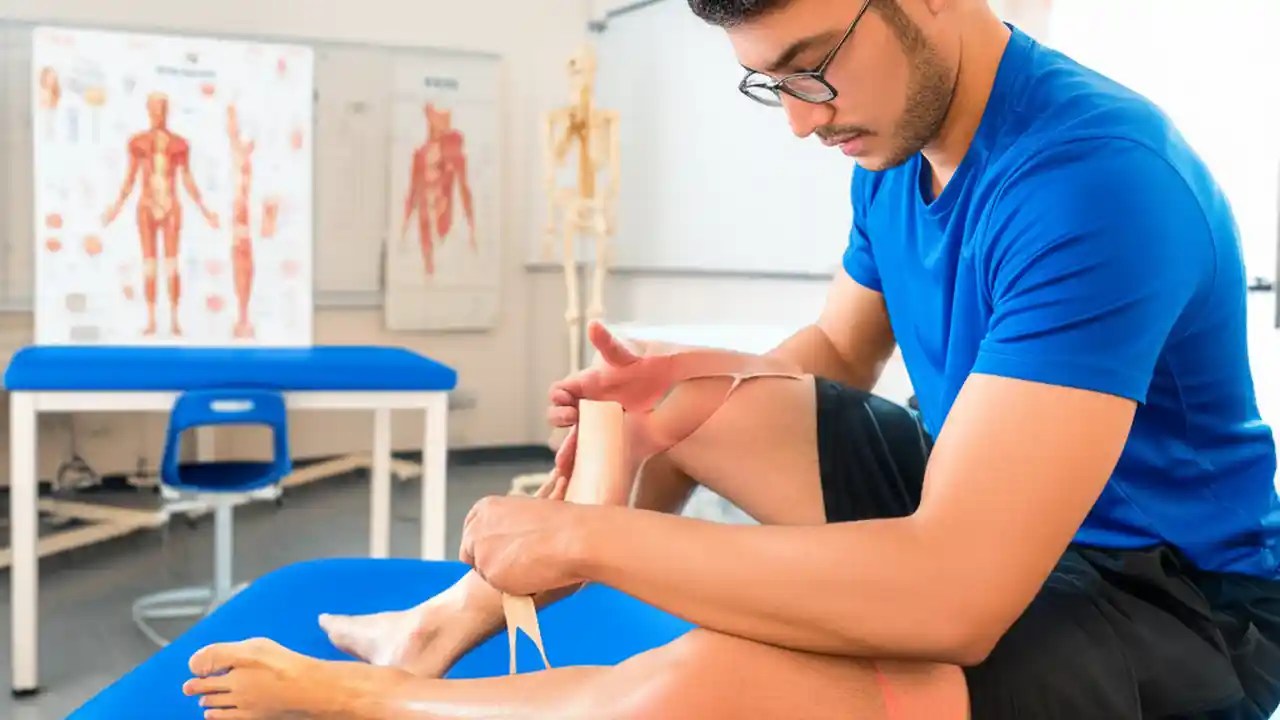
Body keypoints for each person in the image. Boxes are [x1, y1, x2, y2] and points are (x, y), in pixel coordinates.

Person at [184, 0, 1280, 717]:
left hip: (1172, 603)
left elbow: (954, 598)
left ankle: (379, 705)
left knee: (712, 684)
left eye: (812, 71)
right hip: (984, 497)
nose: (801, 125)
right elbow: (837, 352)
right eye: (773, 83)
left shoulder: (1093, 177)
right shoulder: (896, 142)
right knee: (687, 395)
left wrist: (587, 540)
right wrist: (673, 390)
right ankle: (429, 633)